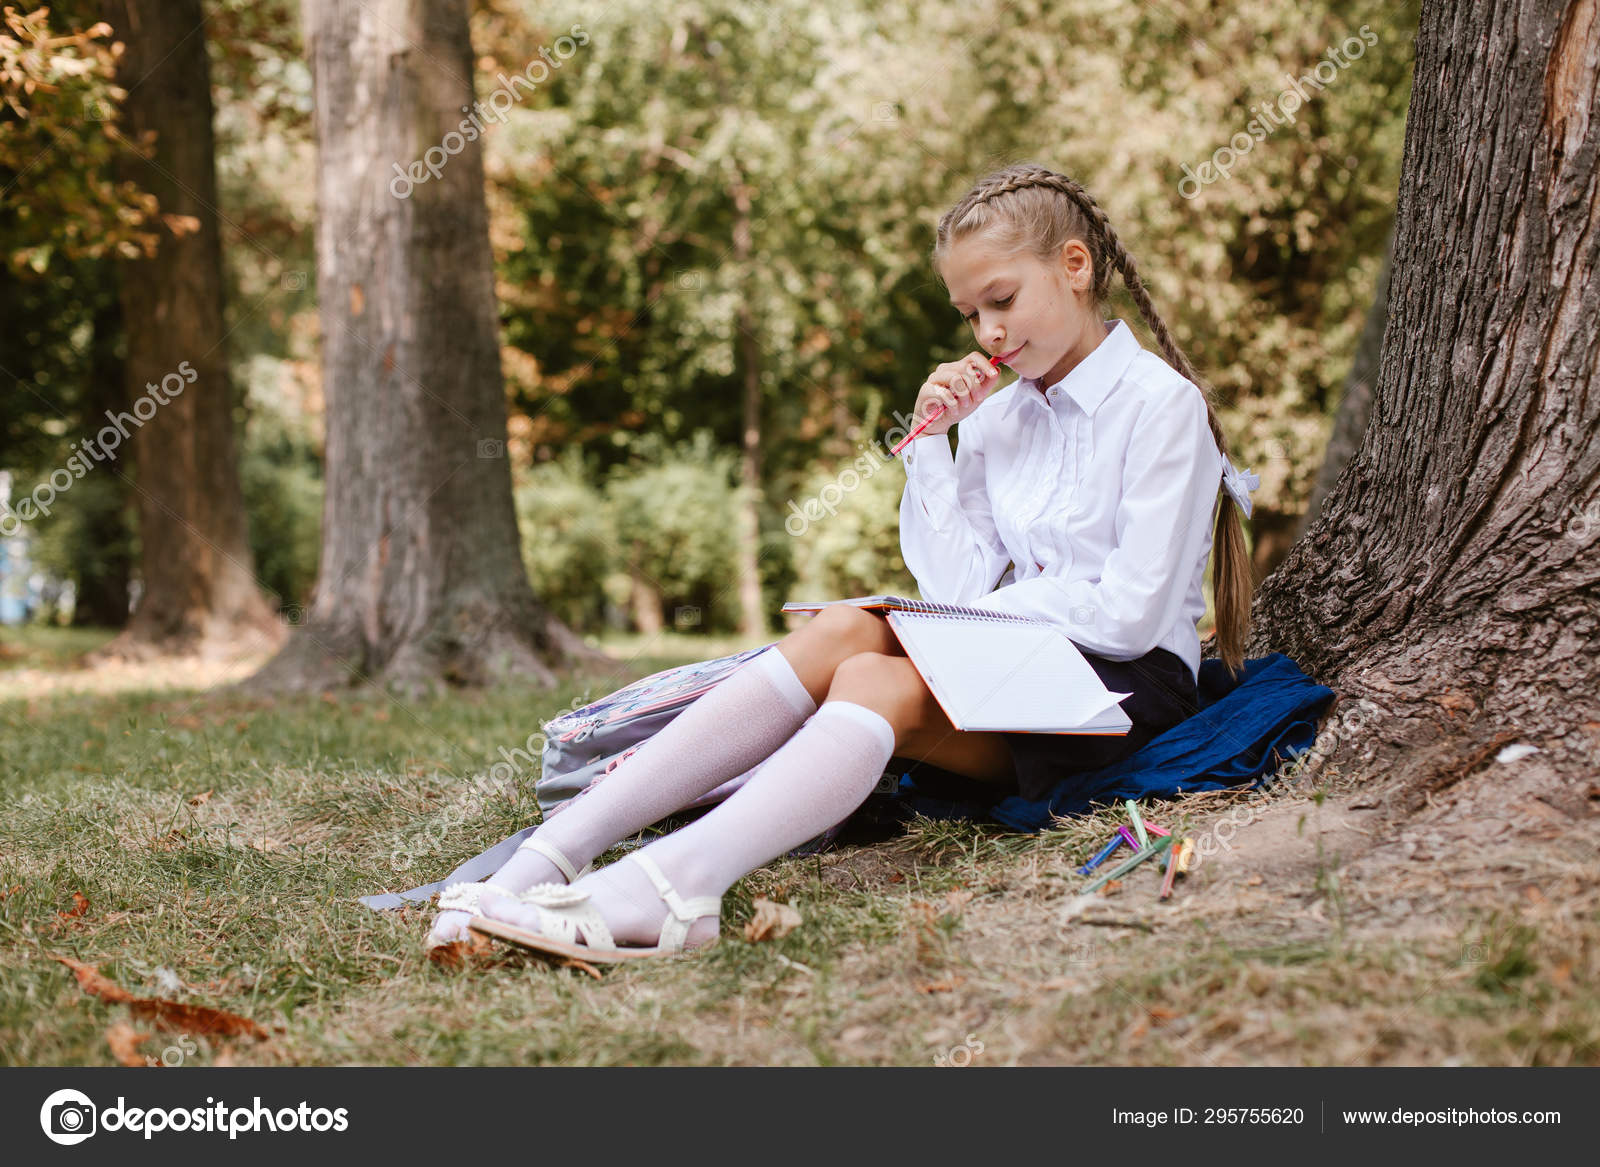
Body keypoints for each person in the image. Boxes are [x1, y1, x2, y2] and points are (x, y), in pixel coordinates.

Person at [426, 161, 1257, 961]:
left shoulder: (1161, 406)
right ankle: (552, 857)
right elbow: (959, 587)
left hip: (1122, 691)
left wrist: (968, 620)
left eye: (1001, 300)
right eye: (970, 315)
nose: (988, 333)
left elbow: (1131, 614)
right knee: (847, 631)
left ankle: (676, 886)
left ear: (1075, 267)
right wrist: (931, 448)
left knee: (873, 668)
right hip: (1021, 666)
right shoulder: (999, 422)